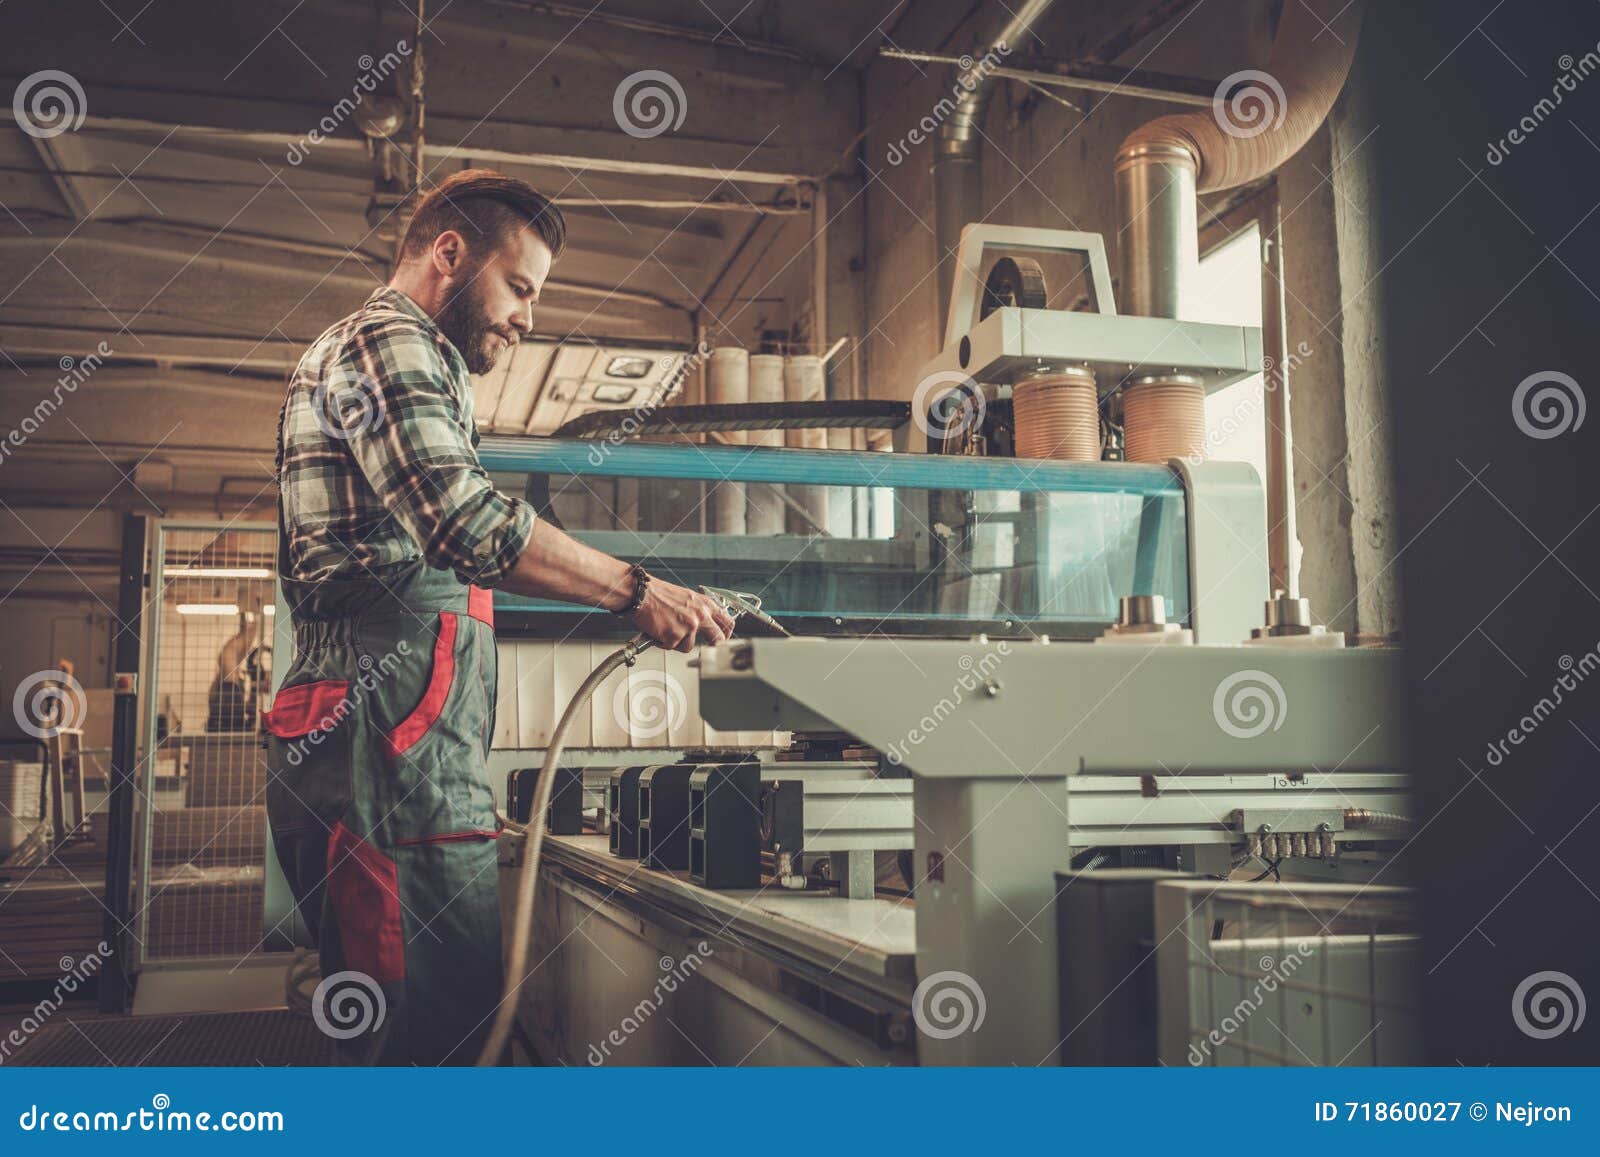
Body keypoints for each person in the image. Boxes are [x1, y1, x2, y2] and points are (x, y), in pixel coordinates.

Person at [264, 168, 733, 1065]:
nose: (527, 317)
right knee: (418, 1032)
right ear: (450, 253)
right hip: (383, 732)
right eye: (520, 287)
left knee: (430, 1015)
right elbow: (462, 518)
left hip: (391, 730)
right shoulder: (388, 339)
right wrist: (637, 592)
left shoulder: (414, 358)